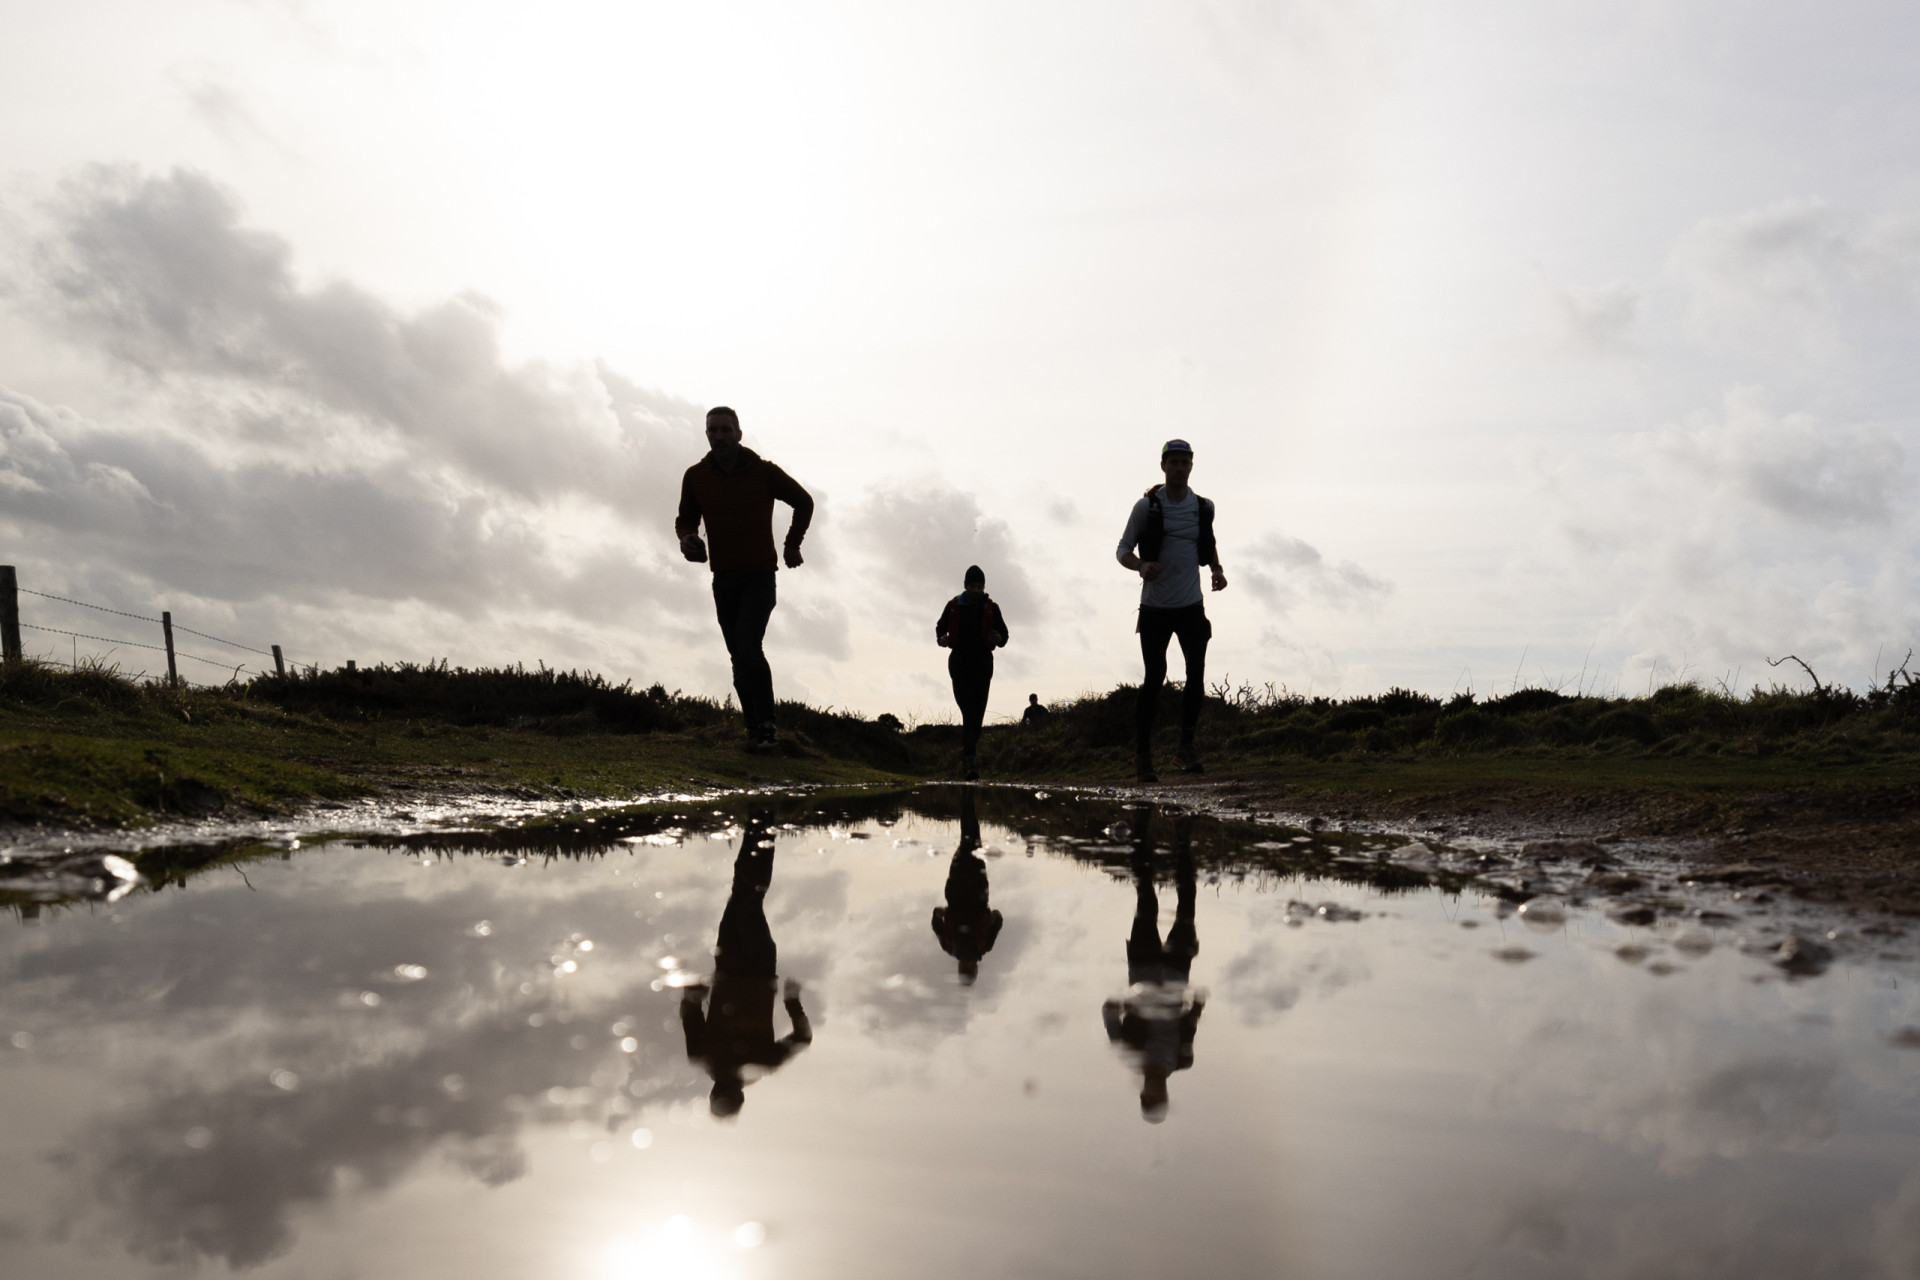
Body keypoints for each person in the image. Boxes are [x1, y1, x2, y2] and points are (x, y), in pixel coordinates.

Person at [676, 406, 814, 750]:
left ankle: (767, 728)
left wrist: (792, 544)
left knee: (749, 646)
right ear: (707, 435)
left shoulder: (763, 471)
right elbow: (685, 519)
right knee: (738, 655)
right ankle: (754, 731)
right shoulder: (696, 476)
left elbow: (804, 502)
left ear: (739, 434)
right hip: (723, 578)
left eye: (726, 430)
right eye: (713, 430)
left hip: (759, 576)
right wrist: (687, 538)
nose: (719, 436)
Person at [680, 814, 812, 1118]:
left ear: (715, 1093)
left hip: (728, 964)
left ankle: (758, 826)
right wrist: (792, 1002)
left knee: (742, 892)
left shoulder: (704, 1056)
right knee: (749, 899)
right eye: (727, 1094)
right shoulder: (761, 1062)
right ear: (735, 1094)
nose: (724, 1088)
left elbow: (690, 1012)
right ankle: (763, 827)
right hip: (757, 965)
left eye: (721, 1093)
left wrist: (693, 991)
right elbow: (802, 1038)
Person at [1115, 438, 1227, 784]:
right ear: (1163, 466)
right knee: (1154, 677)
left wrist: (1217, 569)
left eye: (1184, 462)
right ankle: (1142, 755)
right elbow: (1122, 550)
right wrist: (1141, 565)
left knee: (1196, 674)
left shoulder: (1203, 507)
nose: (1179, 468)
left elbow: (1207, 543)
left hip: (1191, 605)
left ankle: (1185, 749)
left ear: (1191, 466)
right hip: (1155, 608)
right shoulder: (1146, 507)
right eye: (1173, 462)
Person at [1102, 807, 1205, 1124]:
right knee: (1187, 901)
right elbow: (1190, 1024)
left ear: (1143, 1093)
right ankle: (1182, 832)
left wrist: (1127, 1000)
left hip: (1143, 963)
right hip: (1177, 971)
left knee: (1146, 895)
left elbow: (1108, 1010)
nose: (1158, 1091)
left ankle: (1140, 826)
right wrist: (1198, 1004)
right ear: (1166, 1095)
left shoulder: (1129, 1052)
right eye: (1161, 1096)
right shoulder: (1182, 1060)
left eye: (1152, 1096)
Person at [935, 564, 1009, 780]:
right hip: (959, 665)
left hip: (983, 666)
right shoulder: (953, 606)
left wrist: (1000, 639)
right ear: (965, 586)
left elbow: (1004, 634)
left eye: (980, 586)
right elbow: (940, 627)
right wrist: (941, 639)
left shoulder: (992, 608)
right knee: (968, 712)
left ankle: (967, 755)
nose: (976, 590)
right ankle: (970, 764)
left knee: (977, 719)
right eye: (973, 586)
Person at [930, 787, 1003, 984]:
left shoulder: (984, 947)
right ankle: (967, 800)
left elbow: (998, 918)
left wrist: (991, 916)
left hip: (978, 889)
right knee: (966, 843)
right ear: (960, 967)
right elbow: (935, 921)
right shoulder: (949, 946)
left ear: (974, 968)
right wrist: (941, 912)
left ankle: (968, 798)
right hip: (955, 889)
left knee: (972, 841)